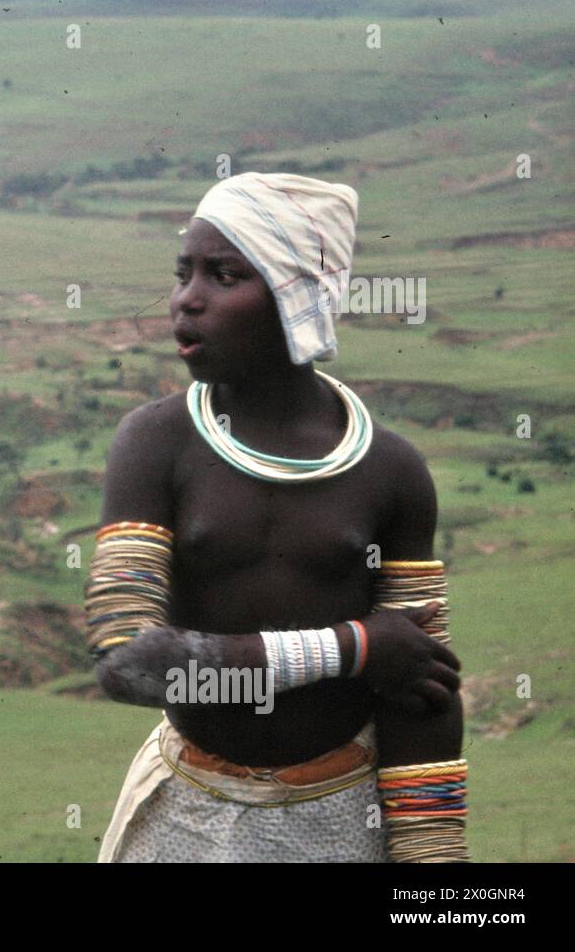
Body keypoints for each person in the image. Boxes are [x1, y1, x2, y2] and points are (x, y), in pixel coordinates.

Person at [88, 172, 469, 862]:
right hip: (184, 814)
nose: (187, 300)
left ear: (299, 298)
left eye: (225, 275)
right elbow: (129, 665)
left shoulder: (391, 472)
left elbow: (422, 691)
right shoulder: (154, 444)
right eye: (184, 273)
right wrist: (351, 648)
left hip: (343, 821)